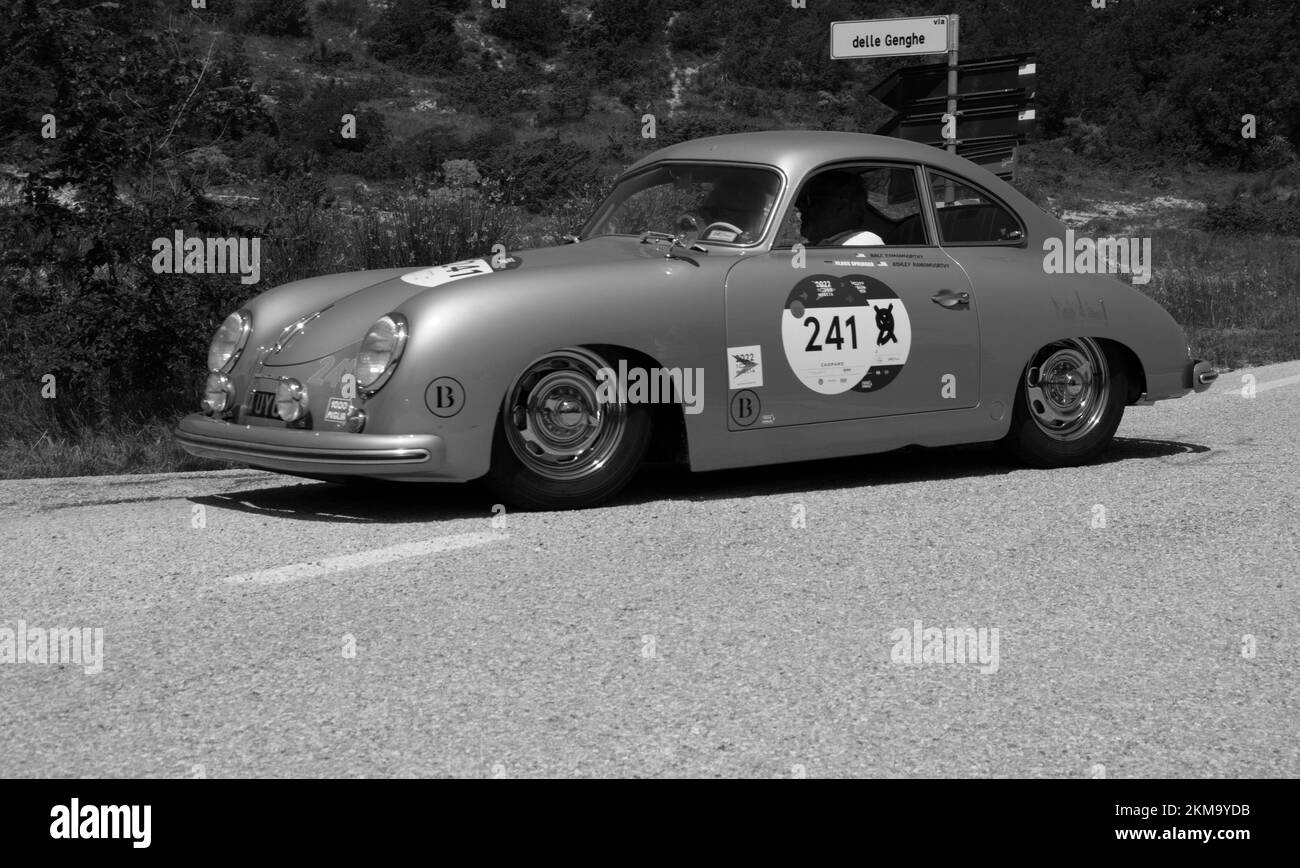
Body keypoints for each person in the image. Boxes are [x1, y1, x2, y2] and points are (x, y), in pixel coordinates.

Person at [795, 170, 885, 246]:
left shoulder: (862, 242)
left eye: (810, 201)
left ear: (841, 208)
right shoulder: (823, 245)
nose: (801, 210)